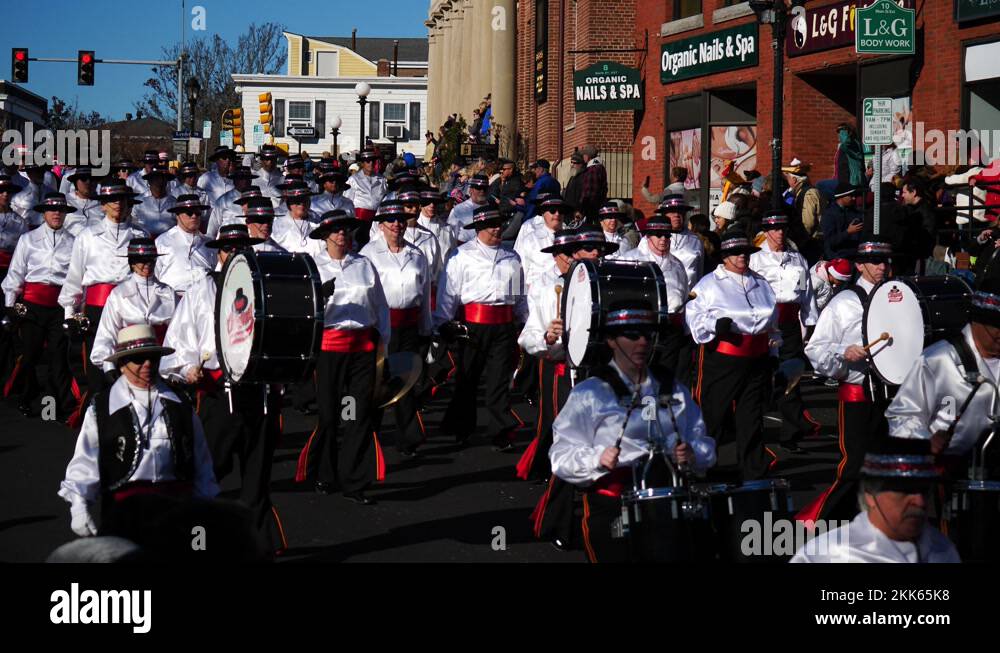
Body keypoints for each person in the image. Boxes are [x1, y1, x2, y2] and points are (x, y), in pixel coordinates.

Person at [549, 299, 716, 563]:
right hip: (612, 506)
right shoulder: (591, 393)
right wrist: (598, 458)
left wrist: (693, 453)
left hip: (671, 503)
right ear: (612, 341)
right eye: (632, 335)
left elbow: (702, 439)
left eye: (647, 336)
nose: (642, 343)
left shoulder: (673, 388)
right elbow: (560, 454)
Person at [160, 223, 288, 552]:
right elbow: (181, 336)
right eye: (229, 248)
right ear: (219, 252)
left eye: (242, 248)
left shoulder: (264, 285)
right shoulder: (202, 288)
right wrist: (188, 368)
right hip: (218, 391)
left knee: (257, 477)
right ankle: (196, 542)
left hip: (257, 390)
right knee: (209, 471)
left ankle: (258, 549)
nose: (235, 253)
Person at [59, 324, 219, 538]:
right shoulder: (103, 408)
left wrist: (205, 507)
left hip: (176, 509)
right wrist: (78, 506)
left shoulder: (181, 402)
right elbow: (85, 460)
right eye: (139, 359)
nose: (147, 364)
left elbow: (201, 461)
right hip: (124, 510)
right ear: (122, 365)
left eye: (153, 358)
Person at [517, 225, 619, 551]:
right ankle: (558, 519)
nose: (597, 255)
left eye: (600, 250)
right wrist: (549, 337)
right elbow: (530, 336)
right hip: (568, 372)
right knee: (570, 444)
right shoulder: (549, 289)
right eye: (589, 249)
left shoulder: (612, 284)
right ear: (576, 254)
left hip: (607, 374)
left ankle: (609, 520)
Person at [294, 211, 389, 505]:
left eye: (347, 231)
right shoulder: (313, 267)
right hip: (329, 350)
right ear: (325, 236)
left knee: (357, 414)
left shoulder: (364, 264)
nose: (342, 236)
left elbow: (380, 306)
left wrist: (385, 343)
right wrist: (318, 298)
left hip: (362, 350)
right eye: (336, 231)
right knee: (330, 415)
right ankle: (324, 471)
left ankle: (354, 480)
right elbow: (302, 312)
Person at [803, 240, 894, 521]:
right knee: (855, 465)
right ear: (859, 265)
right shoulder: (844, 303)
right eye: (875, 261)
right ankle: (824, 522)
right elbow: (815, 349)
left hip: (893, 394)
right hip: (858, 392)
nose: (881, 267)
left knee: (888, 464)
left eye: (885, 261)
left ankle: (875, 522)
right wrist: (843, 353)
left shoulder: (897, 297)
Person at [687, 229, 779, 481]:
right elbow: (693, 315)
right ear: (725, 256)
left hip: (757, 359)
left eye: (746, 252)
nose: (742, 257)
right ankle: (702, 467)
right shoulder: (709, 284)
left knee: (751, 416)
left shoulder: (761, 283)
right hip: (724, 357)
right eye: (736, 253)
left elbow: (772, 323)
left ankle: (753, 471)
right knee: (712, 414)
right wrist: (714, 325)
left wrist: (773, 351)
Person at [435, 204, 528, 450]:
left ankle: (501, 431)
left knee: (499, 379)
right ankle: (461, 427)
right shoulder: (461, 255)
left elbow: (520, 295)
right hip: (473, 326)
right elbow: (449, 291)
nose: (497, 229)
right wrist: (443, 322)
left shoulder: (512, 257)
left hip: (504, 326)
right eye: (490, 225)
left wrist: (524, 321)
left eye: (499, 224)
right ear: (478, 228)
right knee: (468, 378)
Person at [886, 279, 1000, 478]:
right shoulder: (937, 360)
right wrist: (925, 442)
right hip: (948, 477)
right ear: (976, 321)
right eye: (996, 327)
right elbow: (902, 416)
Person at [791, 441, 959, 563]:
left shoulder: (942, 548)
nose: (920, 501)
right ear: (870, 495)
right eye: (904, 491)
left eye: (924, 490)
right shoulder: (826, 555)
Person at [58, 183, 148, 396]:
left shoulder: (139, 235)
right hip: (97, 308)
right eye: (112, 200)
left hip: (130, 307)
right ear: (102, 206)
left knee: (130, 362)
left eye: (122, 199)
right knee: (98, 363)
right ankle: (97, 413)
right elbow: (75, 276)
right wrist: (70, 314)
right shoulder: (87, 236)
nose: (117, 203)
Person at [361, 200, 433, 456]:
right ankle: (367, 435)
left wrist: (427, 327)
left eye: (401, 220)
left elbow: (423, 295)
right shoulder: (369, 254)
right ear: (381, 225)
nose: (397, 225)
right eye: (391, 220)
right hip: (381, 327)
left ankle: (408, 438)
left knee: (406, 382)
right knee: (377, 384)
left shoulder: (417, 254)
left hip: (410, 326)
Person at [749, 211, 821, 452]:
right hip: (765, 324)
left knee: (791, 375)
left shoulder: (797, 259)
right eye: (775, 229)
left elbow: (806, 292)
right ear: (766, 232)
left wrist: (810, 323)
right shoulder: (756, 260)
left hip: (789, 324)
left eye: (783, 229)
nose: (779, 233)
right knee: (761, 376)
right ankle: (759, 430)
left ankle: (791, 433)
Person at [1, 192, 76, 418]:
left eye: (61, 210)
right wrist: (10, 306)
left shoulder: (74, 242)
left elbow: (75, 278)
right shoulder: (28, 239)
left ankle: (55, 404)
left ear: (65, 214)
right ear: (43, 213)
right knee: (31, 354)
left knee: (57, 356)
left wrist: (73, 309)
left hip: (59, 306)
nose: (56, 214)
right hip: (32, 305)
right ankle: (26, 395)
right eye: (51, 210)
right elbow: (15, 273)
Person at [89, 237, 177, 380]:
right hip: (130, 362)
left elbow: (179, 332)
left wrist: (175, 366)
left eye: (151, 259)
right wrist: (108, 366)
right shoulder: (118, 294)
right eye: (141, 260)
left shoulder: (169, 293)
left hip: (162, 363)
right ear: (132, 263)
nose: (147, 264)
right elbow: (107, 333)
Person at [621, 211, 691, 382]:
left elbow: (682, 295)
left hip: (671, 333)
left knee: (666, 381)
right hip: (641, 331)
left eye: (667, 236)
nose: (663, 240)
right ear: (648, 237)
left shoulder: (677, 264)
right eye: (658, 235)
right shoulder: (631, 260)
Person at [154, 194, 217, 294]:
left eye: (197, 213)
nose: (194, 216)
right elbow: (154, 277)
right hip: (173, 299)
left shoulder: (209, 244)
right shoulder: (162, 242)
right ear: (177, 215)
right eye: (189, 212)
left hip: (204, 298)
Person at [514, 194, 566, 291]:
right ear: (543, 213)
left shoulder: (571, 239)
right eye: (552, 210)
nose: (557, 214)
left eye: (561, 211)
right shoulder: (530, 240)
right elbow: (518, 272)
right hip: (537, 298)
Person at [782, 158, 825, 264]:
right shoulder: (801, 192)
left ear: (794, 180)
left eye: (788, 178)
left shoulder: (808, 193)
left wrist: (797, 241)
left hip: (810, 245)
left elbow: (808, 224)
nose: (788, 182)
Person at [343, 148, 388, 247]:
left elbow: (384, 199)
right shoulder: (353, 180)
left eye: (373, 160)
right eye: (368, 161)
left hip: (377, 220)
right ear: (362, 163)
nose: (371, 163)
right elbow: (347, 203)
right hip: (359, 220)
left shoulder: (382, 179)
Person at [658, 194, 704, 289]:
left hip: (689, 297)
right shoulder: (652, 238)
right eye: (672, 211)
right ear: (664, 214)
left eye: (680, 212)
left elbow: (700, 272)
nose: (676, 215)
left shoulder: (695, 240)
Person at [271, 181, 321, 255]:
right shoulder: (277, 225)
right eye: (297, 201)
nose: (302, 204)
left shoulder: (318, 222)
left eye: (305, 200)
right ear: (289, 203)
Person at [206, 167, 257, 239]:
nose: (244, 181)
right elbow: (212, 230)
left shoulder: (258, 201)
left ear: (251, 181)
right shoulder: (223, 201)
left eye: (247, 178)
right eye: (241, 178)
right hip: (227, 245)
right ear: (234, 180)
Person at [821, 183, 864, 260]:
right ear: (841, 197)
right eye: (851, 196)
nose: (854, 198)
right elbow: (829, 241)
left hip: (854, 256)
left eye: (854, 195)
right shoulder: (829, 214)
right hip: (837, 258)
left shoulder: (855, 212)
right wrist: (848, 232)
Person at [447, 174, 491, 245]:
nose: (482, 191)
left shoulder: (492, 208)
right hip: (464, 249)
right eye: (479, 188)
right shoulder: (459, 210)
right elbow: (449, 235)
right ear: (471, 190)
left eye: (484, 188)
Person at [63, 167, 104, 237]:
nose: (88, 182)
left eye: (92, 179)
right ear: (75, 182)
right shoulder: (65, 202)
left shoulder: (104, 204)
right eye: (83, 179)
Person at [578, 144, 608, 219]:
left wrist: (582, 208)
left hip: (591, 208)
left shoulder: (592, 169)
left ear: (588, 156)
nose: (583, 157)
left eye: (584, 155)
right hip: (597, 205)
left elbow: (589, 191)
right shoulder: (599, 167)